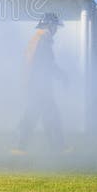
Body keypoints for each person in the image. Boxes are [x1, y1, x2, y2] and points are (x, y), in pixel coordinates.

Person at [13, 13, 68, 155]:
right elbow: (44, 64)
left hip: (36, 85)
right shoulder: (43, 40)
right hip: (38, 86)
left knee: (38, 116)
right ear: (49, 25)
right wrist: (61, 75)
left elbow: (44, 63)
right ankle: (58, 148)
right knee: (49, 116)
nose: (56, 30)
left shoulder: (39, 38)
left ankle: (21, 146)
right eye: (55, 26)